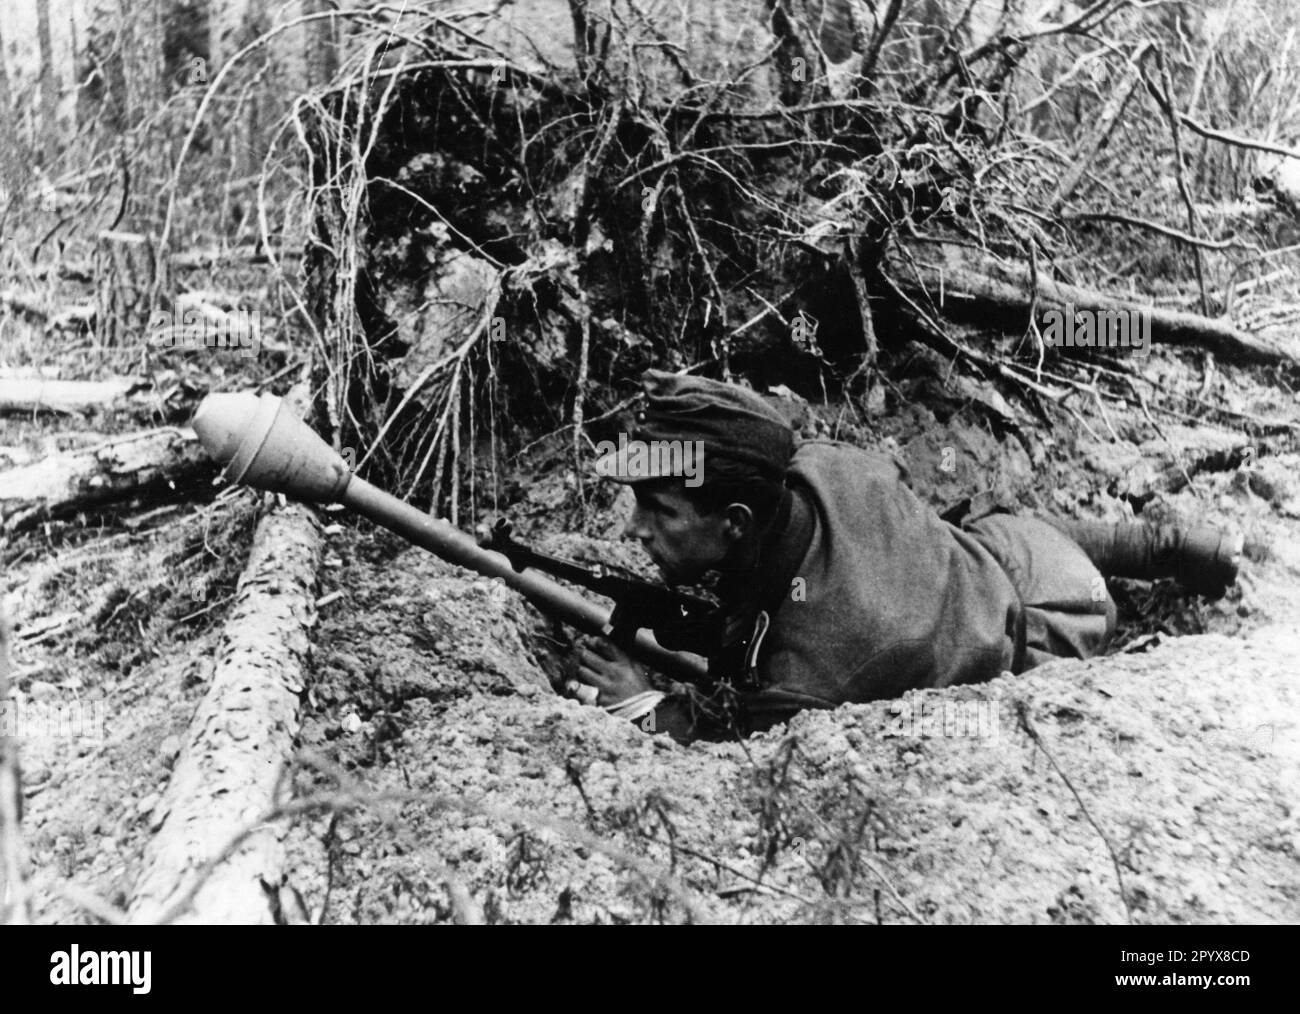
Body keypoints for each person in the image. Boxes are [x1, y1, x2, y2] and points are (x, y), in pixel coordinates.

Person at [568, 370, 1243, 743]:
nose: (636, 529)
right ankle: (1184, 547)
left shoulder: (819, 663)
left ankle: (1172, 554)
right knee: (1010, 531)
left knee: (1035, 561)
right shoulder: (817, 467)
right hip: (1005, 548)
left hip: (1051, 619)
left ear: (736, 523)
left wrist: (645, 707)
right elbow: (770, 435)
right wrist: (699, 408)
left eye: (658, 511)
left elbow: (738, 727)